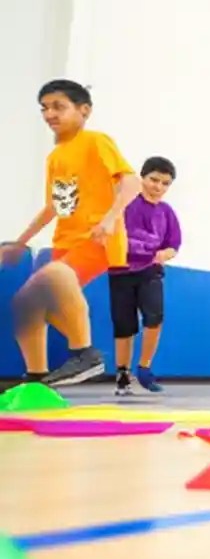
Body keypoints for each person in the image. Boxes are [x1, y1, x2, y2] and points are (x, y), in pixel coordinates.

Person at [0, 80, 140, 387]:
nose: (50, 113)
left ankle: (85, 354)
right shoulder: (57, 156)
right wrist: (19, 243)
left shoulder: (95, 141)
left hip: (97, 237)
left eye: (58, 106)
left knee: (54, 276)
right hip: (67, 241)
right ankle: (36, 377)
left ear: (84, 110)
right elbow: (57, 205)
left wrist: (109, 219)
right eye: (44, 108)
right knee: (26, 303)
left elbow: (132, 182)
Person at [110, 156, 182, 396]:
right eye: (153, 180)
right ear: (142, 178)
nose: (158, 187)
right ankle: (122, 372)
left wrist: (164, 254)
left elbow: (174, 244)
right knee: (124, 324)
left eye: (164, 183)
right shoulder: (125, 205)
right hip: (120, 271)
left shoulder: (167, 212)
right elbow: (116, 236)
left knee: (155, 316)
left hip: (150, 271)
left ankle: (144, 367)